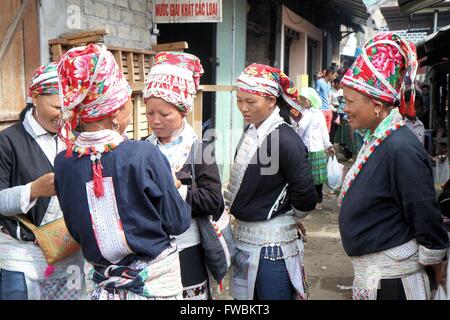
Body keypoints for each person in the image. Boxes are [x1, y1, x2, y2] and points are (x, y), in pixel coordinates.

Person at [54, 44, 191, 300]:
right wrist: (177, 188)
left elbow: (76, 231)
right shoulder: (144, 154)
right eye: (129, 100)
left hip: (104, 287)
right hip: (155, 288)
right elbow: (178, 222)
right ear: (116, 112)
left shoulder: (63, 162)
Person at [339, 32, 449, 300]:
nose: (345, 108)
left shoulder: (401, 148)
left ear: (377, 105)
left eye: (350, 101)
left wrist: (434, 259)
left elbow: (423, 209)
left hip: (393, 284)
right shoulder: (378, 140)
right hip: (376, 278)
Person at [224, 63, 318, 300]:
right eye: (240, 100)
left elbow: (306, 196)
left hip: (272, 249)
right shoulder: (253, 132)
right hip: (245, 241)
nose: (243, 108)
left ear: (271, 101)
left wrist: (287, 215)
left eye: (251, 102)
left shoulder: (286, 139)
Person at [143, 51, 224, 300]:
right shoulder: (142, 149)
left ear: (183, 111)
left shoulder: (200, 150)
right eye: (149, 113)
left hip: (188, 247)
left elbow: (213, 200)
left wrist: (177, 188)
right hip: (151, 251)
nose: (156, 121)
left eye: (164, 114)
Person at [0, 62, 84, 300]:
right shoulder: (7, 142)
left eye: (69, 109)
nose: (64, 116)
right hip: (23, 263)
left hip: (69, 257)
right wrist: (33, 190)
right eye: (57, 106)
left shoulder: (75, 141)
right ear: (35, 97)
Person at [290, 87, 335, 210]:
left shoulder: (318, 113)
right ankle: (305, 200)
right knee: (303, 177)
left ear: (311, 100)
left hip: (316, 148)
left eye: (305, 99)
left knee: (317, 179)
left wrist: (329, 145)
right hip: (302, 148)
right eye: (301, 99)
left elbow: (324, 131)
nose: (302, 101)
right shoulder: (298, 112)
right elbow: (293, 127)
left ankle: (319, 199)